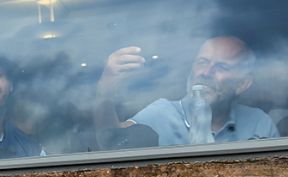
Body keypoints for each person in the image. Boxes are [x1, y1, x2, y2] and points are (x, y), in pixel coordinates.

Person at [94, 36, 277, 147]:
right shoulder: (163, 112)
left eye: (220, 66)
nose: (206, 73)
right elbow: (111, 141)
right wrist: (106, 86)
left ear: (242, 84)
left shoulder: (258, 123)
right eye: (202, 62)